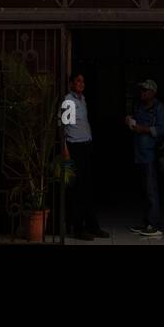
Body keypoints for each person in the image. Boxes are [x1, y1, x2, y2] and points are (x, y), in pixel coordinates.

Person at [61, 71, 110, 241]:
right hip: (75, 149)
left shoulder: (82, 100)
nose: (81, 84)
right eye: (78, 81)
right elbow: (63, 128)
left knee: (87, 189)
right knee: (77, 191)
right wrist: (65, 151)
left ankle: (92, 226)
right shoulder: (69, 101)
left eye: (83, 81)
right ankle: (78, 229)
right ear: (71, 83)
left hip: (86, 147)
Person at [126, 78, 164, 237]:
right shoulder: (139, 106)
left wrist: (141, 128)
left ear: (153, 92)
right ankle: (147, 222)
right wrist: (130, 122)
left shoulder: (159, 108)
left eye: (145, 90)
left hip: (151, 154)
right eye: (141, 90)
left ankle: (154, 224)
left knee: (151, 190)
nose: (142, 93)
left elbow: (162, 129)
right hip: (139, 154)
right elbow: (135, 125)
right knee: (144, 190)